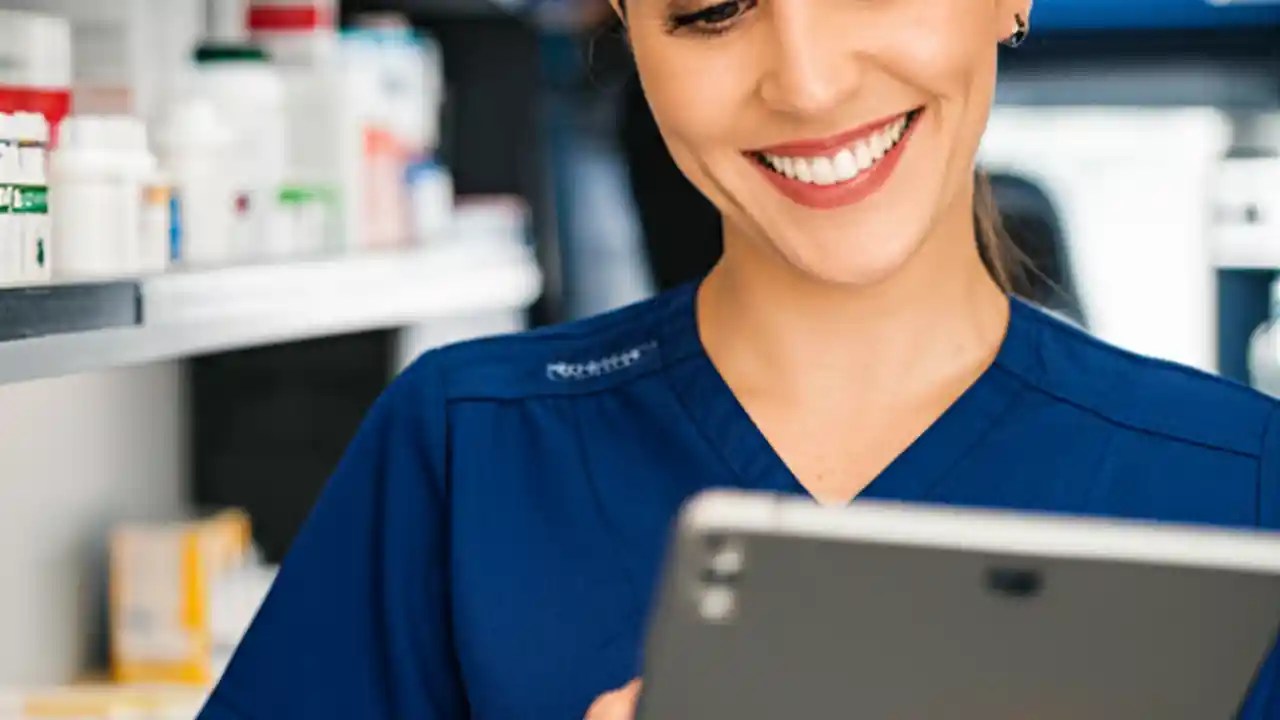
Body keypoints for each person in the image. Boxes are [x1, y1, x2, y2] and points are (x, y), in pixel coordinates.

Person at [198, 1, 1280, 718]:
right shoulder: (464, 454)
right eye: (712, 8)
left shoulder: (1241, 484)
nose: (806, 82)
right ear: (631, 27)